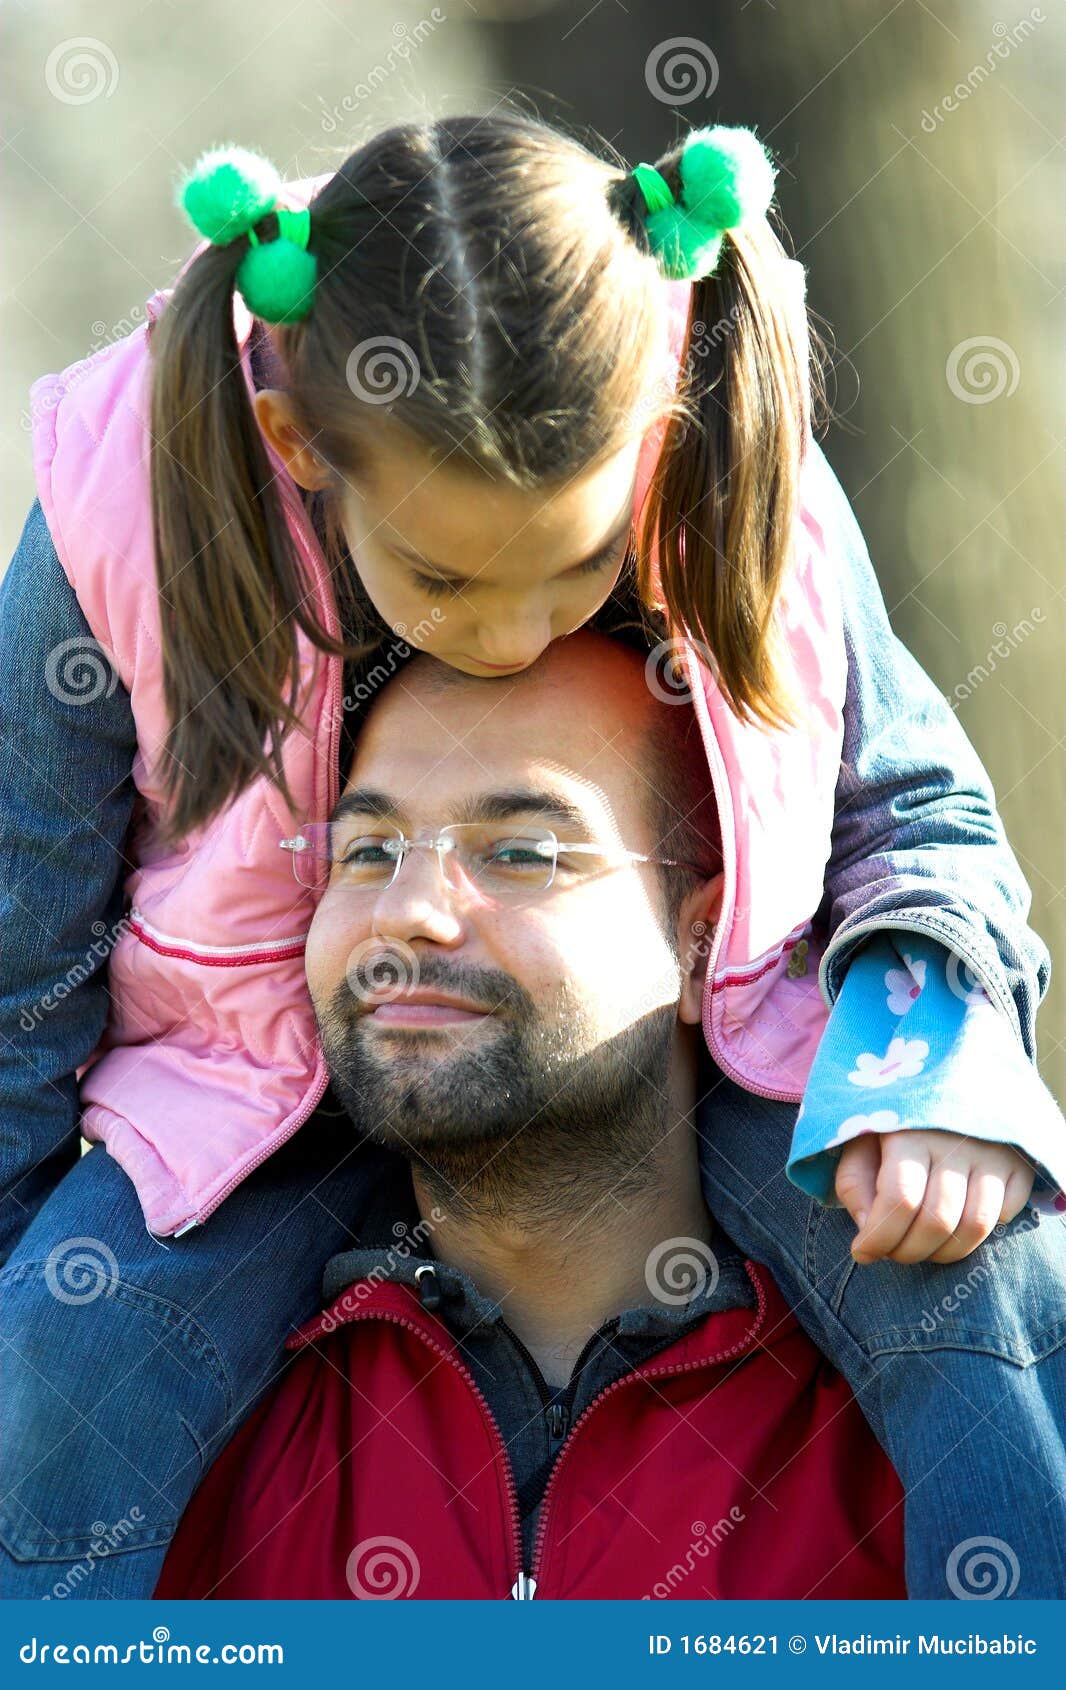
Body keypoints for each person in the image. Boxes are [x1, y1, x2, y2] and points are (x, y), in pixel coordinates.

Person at [2, 114, 1063, 1599]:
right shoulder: (122, 518)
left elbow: (918, 813)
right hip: (223, 1085)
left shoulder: (730, 475)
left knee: (983, 1278)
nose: (511, 638)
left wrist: (928, 1066)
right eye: (443, 578)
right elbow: (17, 941)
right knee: (55, 1361)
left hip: (712, 1030)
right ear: (300, 442)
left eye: (573, 568)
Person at [155, 630, 907, 1601]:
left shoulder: (916, 1442)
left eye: (521, 851)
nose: (409, 910)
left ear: (700, 941)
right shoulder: (179, 1436)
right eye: (370, 848)